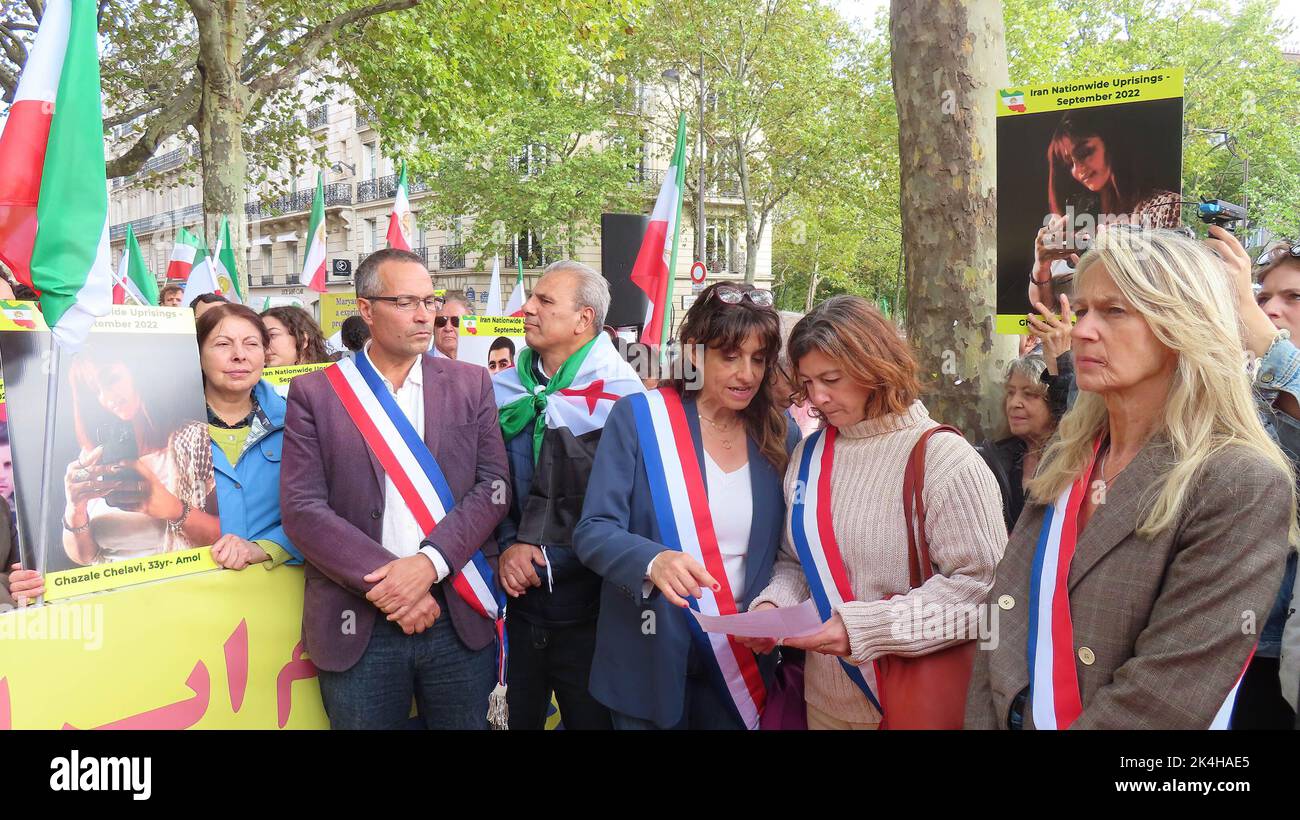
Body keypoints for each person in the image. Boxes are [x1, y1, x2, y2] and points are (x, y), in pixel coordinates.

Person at [966, 227, 1296, 730]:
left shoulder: (1239, 480)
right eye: (1081, 311)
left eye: (1114, 311)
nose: (1080, 331)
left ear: (1184, 324)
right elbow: (1006, 609)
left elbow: (1167, 695)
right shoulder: (1073, 450)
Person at [744, 296, 1007, 730]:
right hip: (823, 701)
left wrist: (864, 627)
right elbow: (795, 560)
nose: (817, 398)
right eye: (807, 383)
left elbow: (983, 592)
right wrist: (774, 606)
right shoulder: (809, 455)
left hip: (915, 704)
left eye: (832, 378)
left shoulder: (945, 459)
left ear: (876, 368)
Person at [279, 247, 510, 730]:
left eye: (430, 300)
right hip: (358, 619)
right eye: (406, 302)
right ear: (366, 309)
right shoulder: (317, 393)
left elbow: (494, 486)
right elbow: (303, 510)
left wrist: (428, 566)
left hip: (456, 610)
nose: (426, 315)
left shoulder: (471, 383)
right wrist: (396, 586)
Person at [574, 283, 797, 729]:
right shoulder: (639, 417)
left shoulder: (781, 433)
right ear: (695, 353)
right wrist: (652, 560)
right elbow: (593, 529)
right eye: (730, 357)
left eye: (758, 359)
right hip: (647, 656)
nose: (746, 374)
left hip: (742, 663)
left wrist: (773, 608)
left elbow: (788, 553)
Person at [9, 304, 304, 602]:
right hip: (131, 615)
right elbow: (83, 557)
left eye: (251, 343)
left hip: (258, 602)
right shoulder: (91, 460)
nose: (238, 355)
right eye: (223, 344)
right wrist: (38, 574)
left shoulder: (297, 423)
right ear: (197, 355)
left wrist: (264, 547)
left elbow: (318, 513)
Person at [492, 260, 644, 730]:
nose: (527, 309)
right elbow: (485, 482)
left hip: (592, 611)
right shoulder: (503, 388)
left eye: (544, 301)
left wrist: (544, 555)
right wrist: (506, 549)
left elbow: (628, 509)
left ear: (584, 320)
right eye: (531, 298)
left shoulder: (625, 396)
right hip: (517, 602)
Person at [1214, 227, 1300, 728]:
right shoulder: (1244, 390)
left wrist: (1267, 340)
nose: (1270, 308)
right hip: (1228, 638)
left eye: (1294, 297)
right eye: (1262, 295)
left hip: (1282, 656)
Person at [59, 348, 219, 565]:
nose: (106, 398)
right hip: (110, 591)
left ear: (139, 371)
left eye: (111, 379)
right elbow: (85, 557)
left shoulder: (194, 440)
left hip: (178, 587)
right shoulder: (93, 457)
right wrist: (74, 510)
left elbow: (229, 537)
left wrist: (172, 508)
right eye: (95, 391)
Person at [1028, 108, 1182, 309]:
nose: (1078, 170)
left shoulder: (1163, 207)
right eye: (1070, 164)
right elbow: (1043, 308)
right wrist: (1041, 266)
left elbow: (1166, 298)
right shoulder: (1074, 220)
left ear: (1114, 142)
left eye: (1085, 153)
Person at [976, 355, 1065, 534]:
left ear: (1054, 402)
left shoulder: (1070, 462)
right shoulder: (993, 459)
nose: (1014, 403)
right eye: (1010, 392)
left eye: (1029, 394)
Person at [262, 305, 330, 367]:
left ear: (303, 339)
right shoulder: (257, 379)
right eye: (259, 338)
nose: (263, 344)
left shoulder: (331, 377)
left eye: (272, 335)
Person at [434, 293, 474, 359]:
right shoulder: (419, 363)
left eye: (457, 321)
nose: (448, 328)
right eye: (441, 321)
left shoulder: (485, 362)